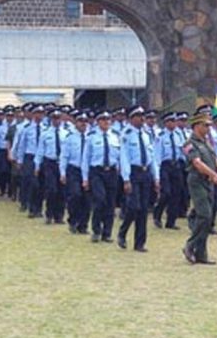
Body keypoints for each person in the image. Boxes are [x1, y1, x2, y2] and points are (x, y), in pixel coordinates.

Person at [182, 113, 217, 265]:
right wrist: (214, 176)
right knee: (204, 215)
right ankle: (190, 245)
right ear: (197, 126)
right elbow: (197, 164)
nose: (208, 128)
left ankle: (201, 254)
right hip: (197, 182)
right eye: (206, 125)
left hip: (208, 183)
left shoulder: (207, 142)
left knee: (208, 217)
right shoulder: (189, 144)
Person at [117, 106, 160, 252]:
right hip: (133, 173)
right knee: (134, 206)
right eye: (138, 116)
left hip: (146, 172)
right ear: (130, 118)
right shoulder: (126, 135)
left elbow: (152, 157)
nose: (142, 118)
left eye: (143, 115)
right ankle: (122, 232)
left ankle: (139, 243)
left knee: (143, 209)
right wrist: (126, 179)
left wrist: (156, 177)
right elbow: (124, 158)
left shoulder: (147, 134)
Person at [82, 109, 122, 243]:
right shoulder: (91, 136)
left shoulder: (115, 136)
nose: (106, 122)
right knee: (100, 200)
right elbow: (85, 158)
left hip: (111, 171)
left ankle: (107, 233)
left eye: (108, 120)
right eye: (103, 120)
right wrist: (85, 178)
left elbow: (120, 156)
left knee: (110, 203)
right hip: (96, 172)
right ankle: (96, 230)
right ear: (98, 122)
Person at [60, 109, 90, 234]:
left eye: (85, 121)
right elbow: (64, 156)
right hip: (74, 170)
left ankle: (83, 225)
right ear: (75, 122)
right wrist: (62, 172)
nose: (83, 123)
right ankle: (73, 220)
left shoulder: (91, 137)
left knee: (86, 199)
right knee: (75, 195)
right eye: (80, 121)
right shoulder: (69, 137)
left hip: (88, 171)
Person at [153, 112, 185, 230]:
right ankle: (158, 213)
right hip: (165, 166)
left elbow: (183, 151)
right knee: (166, 192)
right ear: (166, 123)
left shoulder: (179, 135)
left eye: (175, 121)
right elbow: (157, 156)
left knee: (177, 193)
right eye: (171, 121)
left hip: (176, 165)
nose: (174, 123)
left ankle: (171, 221)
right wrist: (157, 173)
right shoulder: (160, 136)